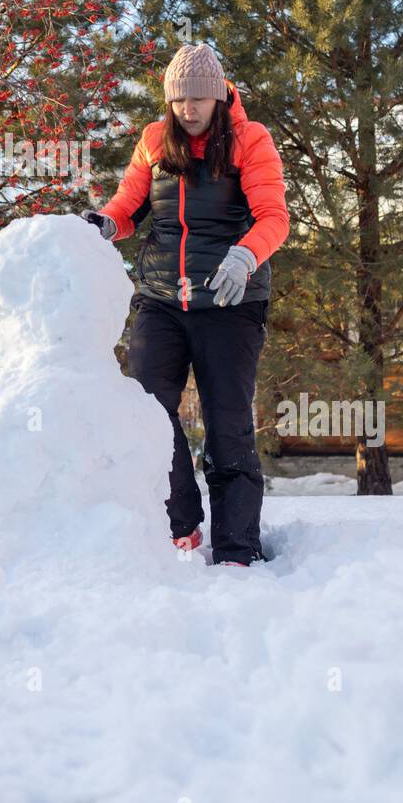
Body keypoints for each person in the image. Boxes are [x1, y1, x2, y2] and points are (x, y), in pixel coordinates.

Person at [81, 43, 289, 567]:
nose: (189, 110)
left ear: (219, 98)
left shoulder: (250, 139)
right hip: (161, 299)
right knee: (149, 410)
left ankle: (238, 547)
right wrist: (107, 223)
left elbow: (274, 217)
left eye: (199, 99)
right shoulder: (154, 141)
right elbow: (130, 204)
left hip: (230, 300)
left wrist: (244, 257)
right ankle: (182, 522)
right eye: (179, 101)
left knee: (228, 421)